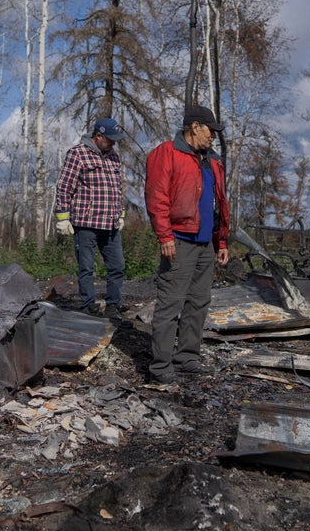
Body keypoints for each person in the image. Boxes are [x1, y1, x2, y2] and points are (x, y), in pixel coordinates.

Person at [143, 105, 231, 382]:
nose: (213, 137)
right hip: (179, 240)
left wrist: (222, 240)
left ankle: (187, 358)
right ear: (195, 127)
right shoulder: (167, 153)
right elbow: (156, 196)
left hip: (206, 243)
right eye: (210, 131)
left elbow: (219, 203)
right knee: (170, 304)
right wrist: (165, 235)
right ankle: (160, 367)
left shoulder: (212, 160)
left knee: (199, 302)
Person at [55, 116, 127, 317]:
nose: (112, 143)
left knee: (117, 265)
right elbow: (64, 186)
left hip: (110, 223)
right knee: (86, 267)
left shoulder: (113, 157)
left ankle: (114, 304)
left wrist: (120, 214)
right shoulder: (78, 154)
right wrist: (62, 218)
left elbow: (118, 188)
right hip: (86, 222)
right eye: (109, 139)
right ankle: (88, 306)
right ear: (98, 136)